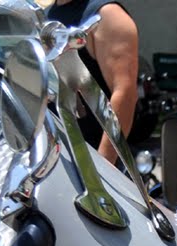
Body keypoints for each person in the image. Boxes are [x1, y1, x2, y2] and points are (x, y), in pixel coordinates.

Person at [50, 0, 140, 163]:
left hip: (92, 163)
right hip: (54, 159)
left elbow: (125, 94)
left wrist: (104, 166)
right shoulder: (47, 16)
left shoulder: (106, 15)